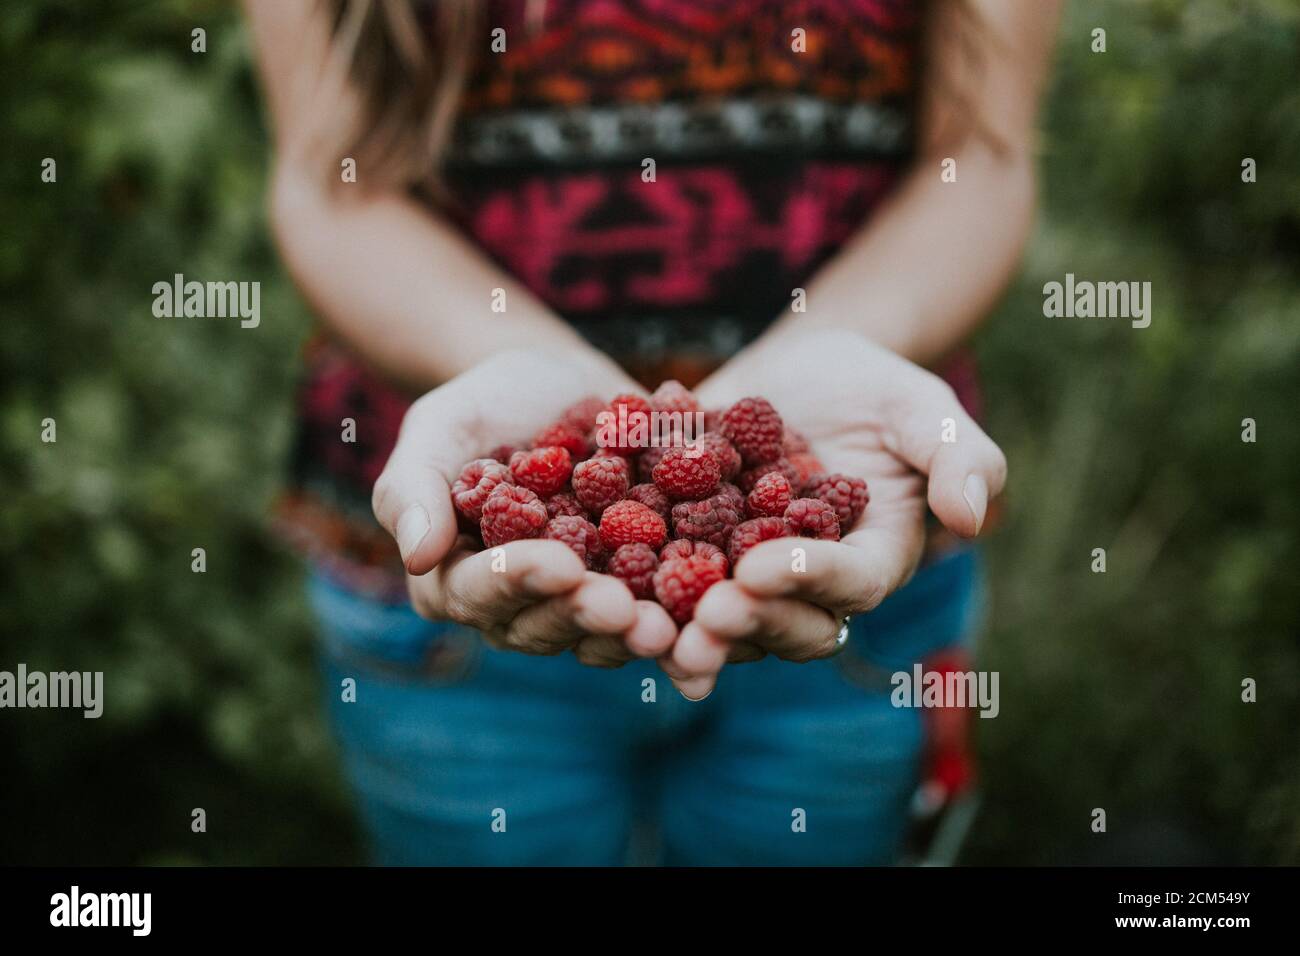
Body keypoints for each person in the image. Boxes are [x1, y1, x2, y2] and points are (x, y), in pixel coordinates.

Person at [245, 0, 1059, 865]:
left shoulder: (760, 487)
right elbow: (330, 181)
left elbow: (980, 157)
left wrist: (829, 351)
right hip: (441, 606)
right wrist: (526, 376)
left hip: (865, 610)